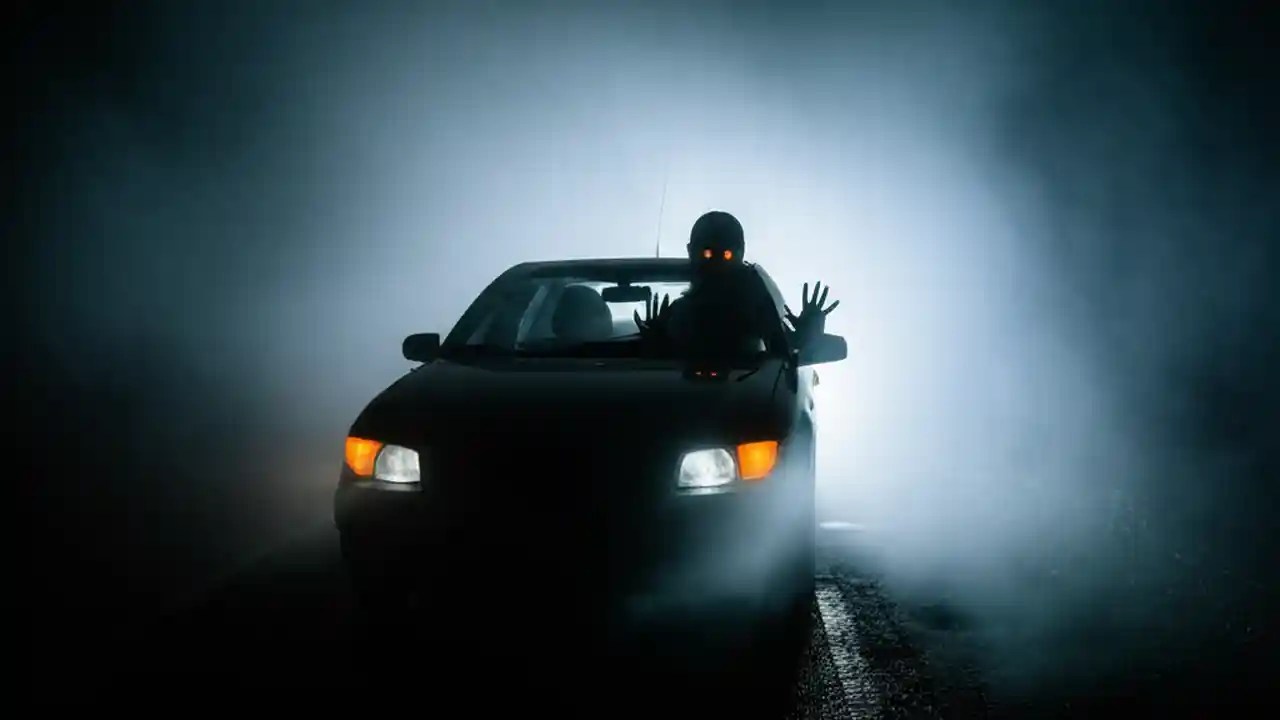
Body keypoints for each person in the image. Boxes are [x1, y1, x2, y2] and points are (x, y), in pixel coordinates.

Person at [635, 210, 840, 360]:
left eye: (725, 254)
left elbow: (784, 355)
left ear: (741, 253)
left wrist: (806, 336)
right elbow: (656, 373)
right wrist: (653, 343)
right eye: (707, 253)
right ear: (691, 251)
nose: (715, 263)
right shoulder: (676, 313)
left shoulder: (758, 305)